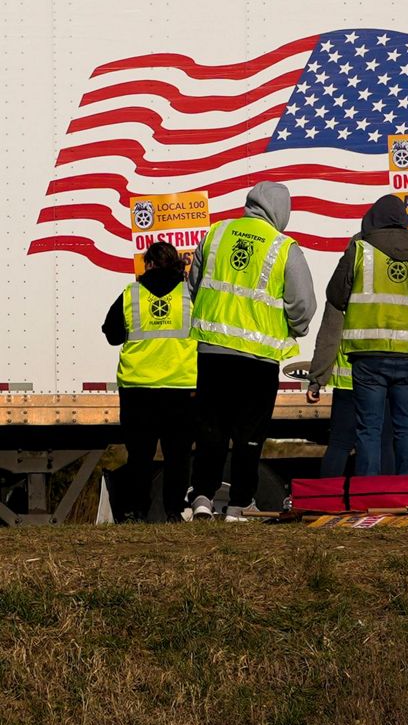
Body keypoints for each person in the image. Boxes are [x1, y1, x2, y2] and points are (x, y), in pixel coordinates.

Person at [188, 181, 315, 520]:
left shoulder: (216, 234)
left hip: (212, 351)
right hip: (258, 357)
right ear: (281, 211)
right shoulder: (283, 247)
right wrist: (294, 327)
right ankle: (240, 504)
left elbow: (194, 286)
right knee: (249, 434)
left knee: (211, 428)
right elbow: (303, 304)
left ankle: (201, 497)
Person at [307, 195, 408, 476]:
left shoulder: (361, 249)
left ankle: (370, 490)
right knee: (406, 428)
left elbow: (335, 296)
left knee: (369, 429)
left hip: (368, 356)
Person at [101, 241, 197, 522]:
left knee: (140, 455)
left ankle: (138, 511)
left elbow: (112, 334)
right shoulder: (190, 294)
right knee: (178, 455)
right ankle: (174, 511)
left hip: (138, 387)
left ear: (149, 264)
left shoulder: (131, 294)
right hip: (181, 386)